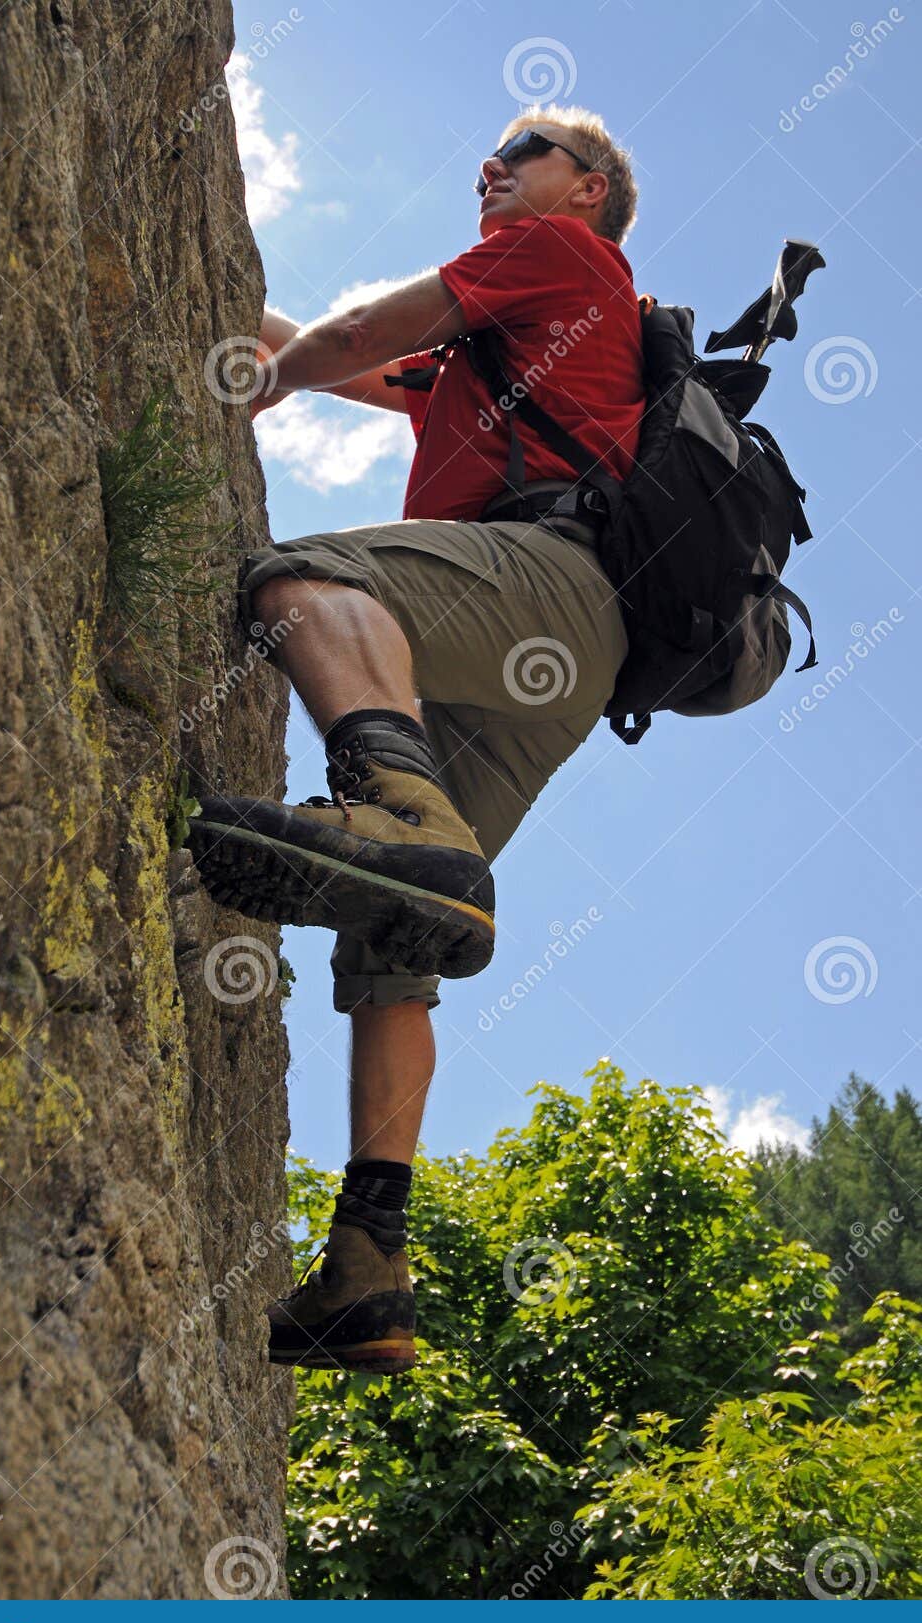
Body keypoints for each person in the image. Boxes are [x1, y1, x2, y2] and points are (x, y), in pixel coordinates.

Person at [189, 104, 644, 1375]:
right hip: (549, 663)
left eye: (521, 155)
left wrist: (258, 382)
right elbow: (361, 365)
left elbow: (363, 331)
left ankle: (394, 801)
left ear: (589, 188)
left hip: (546, 581)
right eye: (488, 159)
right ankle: (367, 1268)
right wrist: (245, 320)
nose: (490, 169)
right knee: (397, 930)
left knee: (296, 578)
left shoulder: (556, 256)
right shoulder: (514, 342)